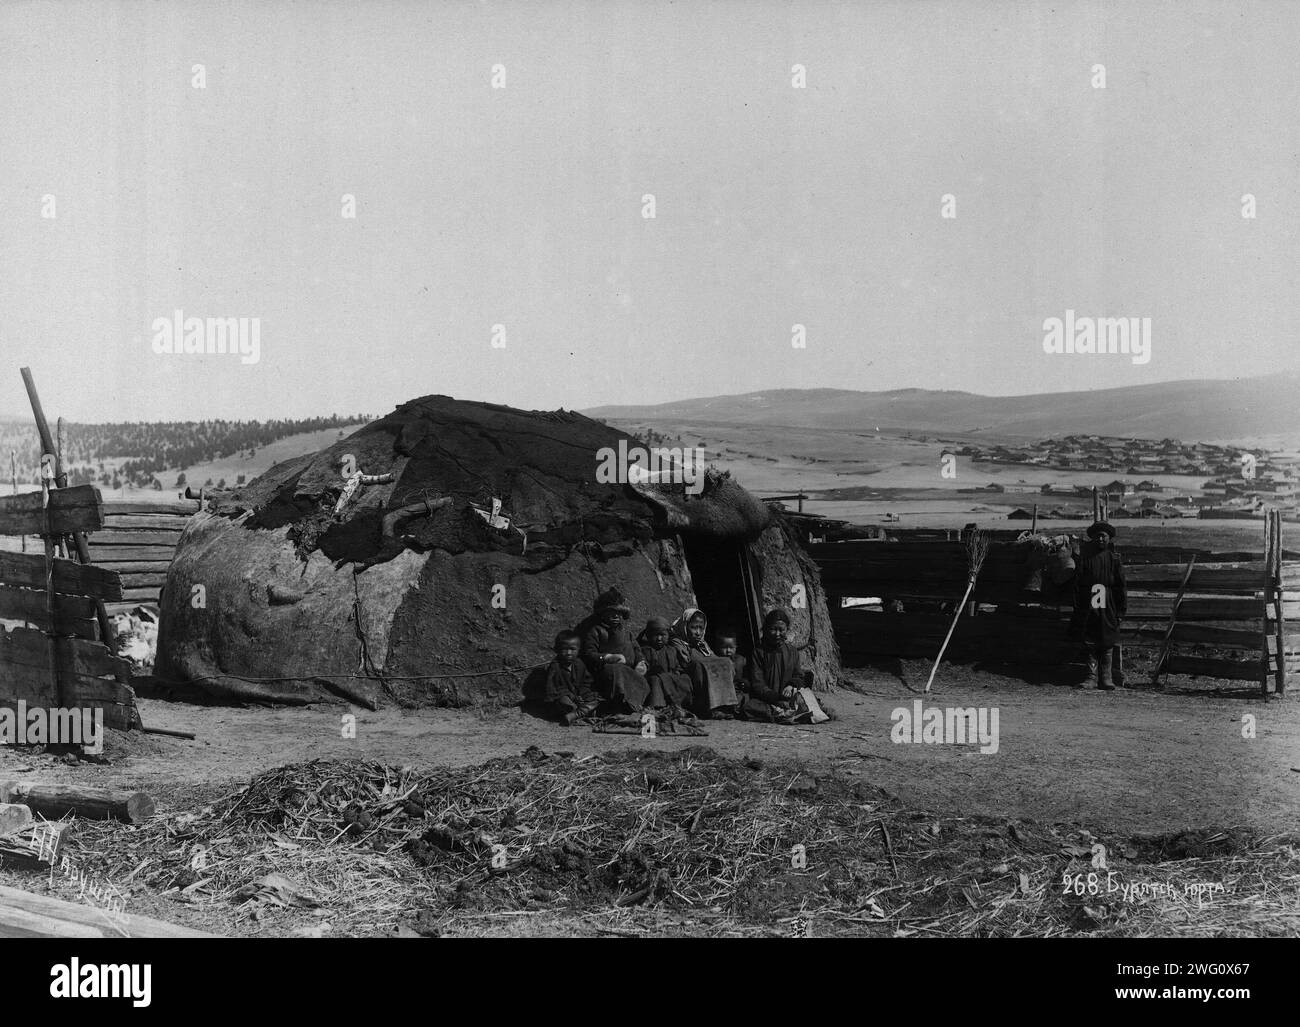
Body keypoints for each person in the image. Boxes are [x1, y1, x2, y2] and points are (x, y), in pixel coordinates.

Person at [1069, 521, 1128, 691]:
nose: (1101, 539)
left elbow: (1120, 586)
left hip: (1108, 601)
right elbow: (1078, 584)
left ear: (1109, 539)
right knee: (1090, 637)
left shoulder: (1114, 559)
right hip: (1090, 601)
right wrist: (1079, 607)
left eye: (1104, 536)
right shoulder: (1085, 559)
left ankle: (1106, 678)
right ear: (1093, 538)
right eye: (1098, 536)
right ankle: (1091, 678)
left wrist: (1120, 611)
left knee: (1107, 638)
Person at [576, 588, 651, 711]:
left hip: (630, 670)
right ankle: (620, 705)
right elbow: (589, 653)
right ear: (603, 613)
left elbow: (637, 650)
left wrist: (641, 662)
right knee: (617, 671)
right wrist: (608, 657)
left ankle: (634, 705)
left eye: (619, 613)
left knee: (641, 680)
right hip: (608, 672)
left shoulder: (627, 632)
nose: (616, 615)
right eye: (611, 612)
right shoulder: (596, 631)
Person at [738, 608, 804, 723]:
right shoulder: (758, 652)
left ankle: (783, 712)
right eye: (773, 629)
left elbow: (798, 675)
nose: (777, 634)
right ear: (766, 629)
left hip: (788, 699)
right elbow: (757, 683)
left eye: (781, 630)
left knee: (806, 701)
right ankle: (781, 712)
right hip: (766, 700)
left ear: (786, 629)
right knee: (748, 707)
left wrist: (790, 686)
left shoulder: (792, 652)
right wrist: (776, 698)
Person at [670, 606, 739, 717]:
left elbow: (713, 658)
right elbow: (685, 663)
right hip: (688, 676)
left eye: (701, 628)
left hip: (704, 673)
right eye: (694, 628)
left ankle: (727, 705)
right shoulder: (677, 642)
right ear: (685, 626)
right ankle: (709, 709)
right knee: (700, 665)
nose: (698, 632)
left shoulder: (702, 644)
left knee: (726, 662)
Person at [522, 629, 600, 724]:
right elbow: (552, 689)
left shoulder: (579, 664)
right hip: (563, 698)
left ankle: (577, 714)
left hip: (577, 696)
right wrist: (571, 696)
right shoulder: (555, 667)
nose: (569, 653)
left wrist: (582, 694)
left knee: (596, 698)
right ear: (557, 650)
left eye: (572, 649)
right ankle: (581, 712)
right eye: (564, 649)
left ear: (579, 650)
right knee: (564, 702)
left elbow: (587, 681)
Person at [639, 616, 695, 711]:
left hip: (669, 682)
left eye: (662, 635)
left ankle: (680, 704)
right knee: (655, 679)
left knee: (685, 679)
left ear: (668, 635)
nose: (659, 638)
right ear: (648, 636)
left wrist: (676, 674)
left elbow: (677, 668)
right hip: (653, 684)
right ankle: (657, 706)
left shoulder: (671, 651)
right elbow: (643, 670)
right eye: (655, 635)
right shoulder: (645, 651)